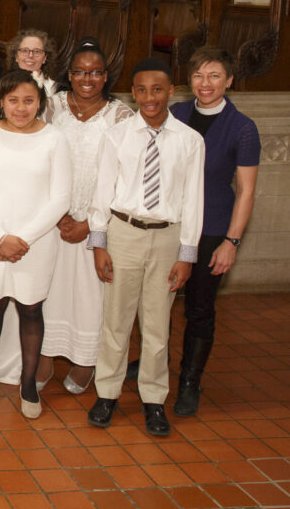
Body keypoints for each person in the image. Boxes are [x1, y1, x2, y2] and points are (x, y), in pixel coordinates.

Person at [86, 59, 204, 437]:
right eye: (141, 90)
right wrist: (99, 243)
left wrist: (187, 254)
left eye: (157, 89)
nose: (149, 97)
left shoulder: (190, 140)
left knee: (157, 324)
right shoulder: (117, 136)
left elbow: (192, 201)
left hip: (168, 236)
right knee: (116, 320)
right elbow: (102, 191)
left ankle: (154, 400)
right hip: (124, 233)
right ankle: (107, 393)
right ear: (132, 93)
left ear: (172, 91)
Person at [0, 69, 73, 419]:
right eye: (13, 100)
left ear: (40, 102)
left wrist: (22, 239)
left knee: (31, 310)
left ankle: (28, 384)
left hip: (37, 242)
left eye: (29, 100)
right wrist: (1, 237)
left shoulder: (54, 139)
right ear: (0, 101)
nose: (20, 107)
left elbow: (61, 198)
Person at [37, 39, 132, 396]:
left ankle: (85, 360)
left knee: (91, 295)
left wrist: (91, 224)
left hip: (96, 222)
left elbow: (123, 177)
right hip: (53, 219)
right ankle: (45, 355)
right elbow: (37, 155)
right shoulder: (53, 106)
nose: (86, 78)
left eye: (94, 72)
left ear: (106, 76)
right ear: (70, 74)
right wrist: (57, 212)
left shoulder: (121, 116)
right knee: (47, 290)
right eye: (79, 71)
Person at [170, 47, 259, 417]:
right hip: (171, 226)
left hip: (212, 229)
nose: (205, 84)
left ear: (230, 80)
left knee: (199, 308)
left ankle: (190, 380)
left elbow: (247, 190)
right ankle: (152, 365)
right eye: (198, 76)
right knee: (155, 302)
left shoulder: (242, 127)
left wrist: (231, 241)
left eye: (214, 76)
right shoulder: (175, 114)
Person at [7, 29, 58, 96]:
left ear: (44, 58)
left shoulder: (54, 89)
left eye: (37, 51)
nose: (30, 55)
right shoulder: (4, 85)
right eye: (25, 50)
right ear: (16, 56)